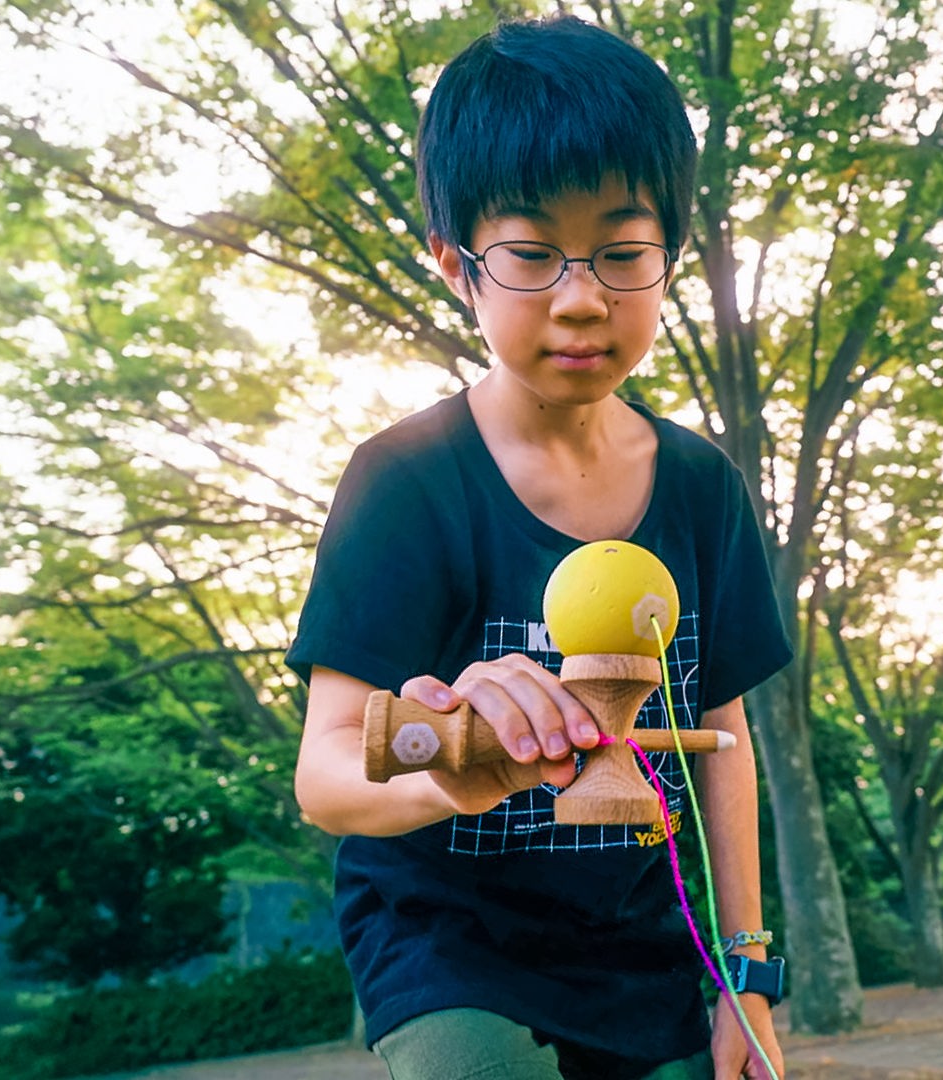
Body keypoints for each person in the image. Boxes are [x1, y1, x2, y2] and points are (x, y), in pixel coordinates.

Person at [286, 16, 792, 1080]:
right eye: (529, 254)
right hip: (448, 944)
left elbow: (722, 738)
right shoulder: (405, 481)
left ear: (669, 261)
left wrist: (744, 973)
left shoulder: (701, 488)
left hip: (642, 946)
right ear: (457, 266)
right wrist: (452, 769)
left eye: (622, 253)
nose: (581, 298)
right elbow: (327, 774)